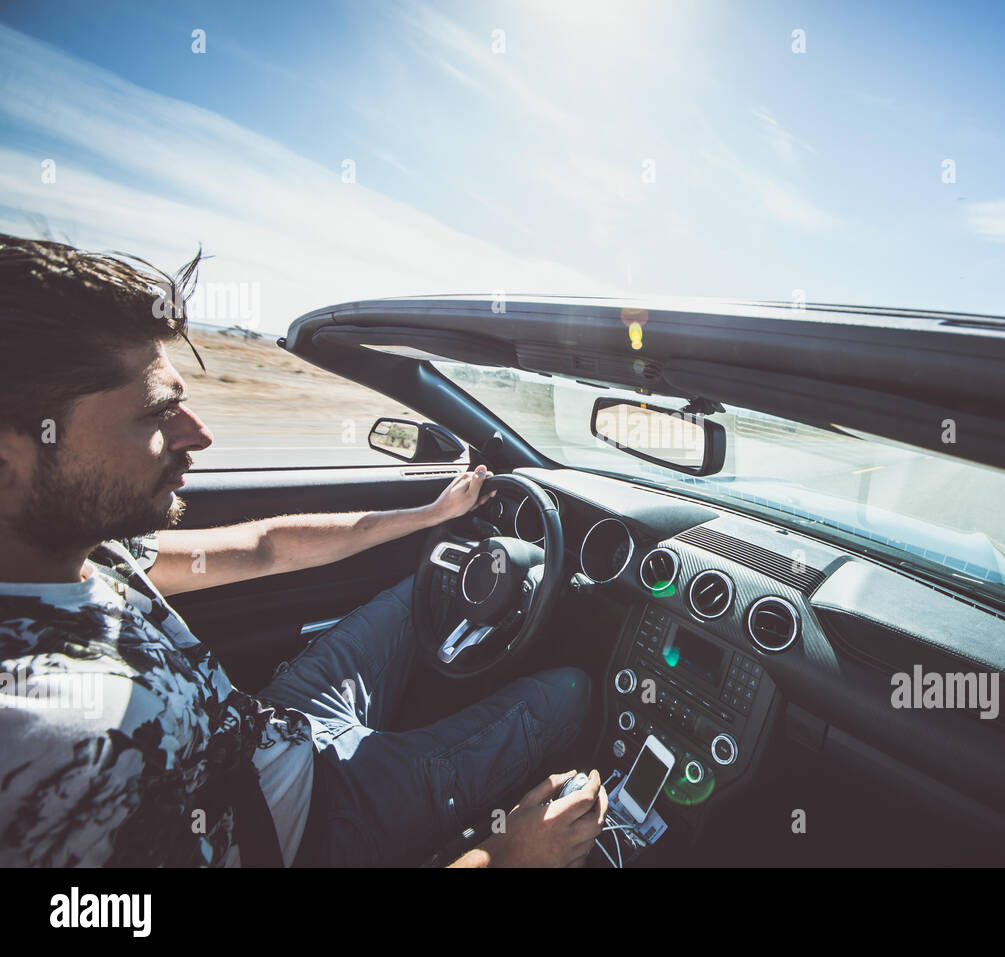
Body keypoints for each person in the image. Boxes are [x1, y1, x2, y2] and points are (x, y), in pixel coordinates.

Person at [0, 234, 606, 867]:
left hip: (275, 727)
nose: (199, 434)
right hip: (320, 823)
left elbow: (265, 547)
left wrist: (433, 514)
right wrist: (507, 854)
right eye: (156, 414)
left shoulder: (89, 552)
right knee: (569, 693)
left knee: (425, 591)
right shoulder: (50, 742)